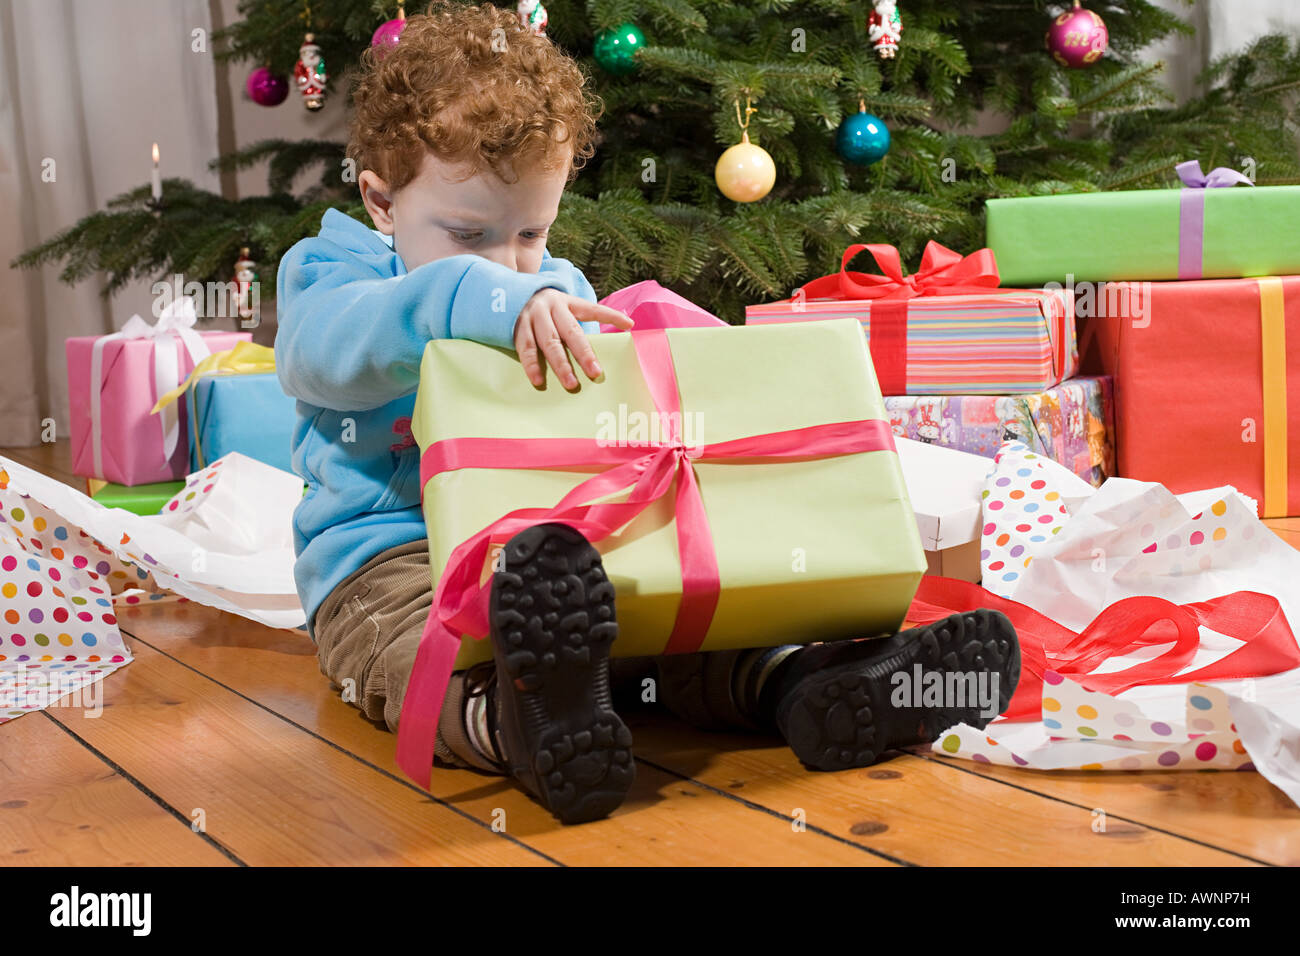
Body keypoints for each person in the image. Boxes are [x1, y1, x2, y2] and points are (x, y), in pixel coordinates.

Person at [276, 3, 1021, 826]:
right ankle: (518, 724)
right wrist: (480, 298)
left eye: (531, 232)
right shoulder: (333, 272)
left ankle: (812, 684)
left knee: (685, 631)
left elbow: (612, 415)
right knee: (423, 653)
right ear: (382, 203)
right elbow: (327, 352)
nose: (510, 262)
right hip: (389, 564)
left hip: (559, 548)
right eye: (469, 234)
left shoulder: (555, 285)